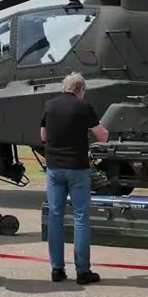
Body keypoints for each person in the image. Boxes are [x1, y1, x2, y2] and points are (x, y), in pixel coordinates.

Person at [40, 72, 108, 285]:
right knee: (80, 217)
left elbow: (43, 135)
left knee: (55, 217)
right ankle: (83, 270)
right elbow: (102, 136)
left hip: (54, 168)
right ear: (81, 90)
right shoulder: (84, 107)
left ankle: (57, 269)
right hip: (77, 168)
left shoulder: (49, 105)